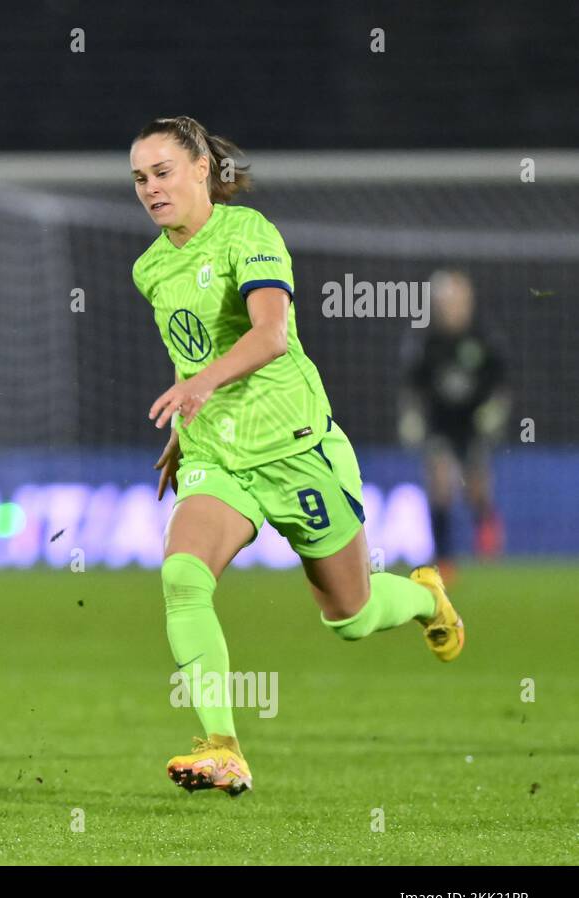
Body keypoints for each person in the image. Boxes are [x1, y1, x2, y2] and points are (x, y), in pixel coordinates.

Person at [132, 116, 465, 797]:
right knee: (183, 577)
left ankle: (427, 598)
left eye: (163, 172)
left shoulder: (247, 233)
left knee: (351, 616)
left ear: (202, 170)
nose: (151, 189)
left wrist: (200, 384)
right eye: (139, 178)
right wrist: (181, 431)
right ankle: (223, 747)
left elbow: (271, 336)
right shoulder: (150, 266)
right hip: (217, 457)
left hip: (296, 450)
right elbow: (192, 353)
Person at [399, 269, 508, 576]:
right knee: (440, 481)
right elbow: (412, 387)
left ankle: (486, 529)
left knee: (476, 486)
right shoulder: (425, 340)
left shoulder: (484, 337)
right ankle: (445, 557)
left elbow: (501, 383)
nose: (452, 307)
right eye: (445, 302)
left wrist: (495, 410)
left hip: (474, 422)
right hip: (439, 423)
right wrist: (411, 417)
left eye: (457, 300)